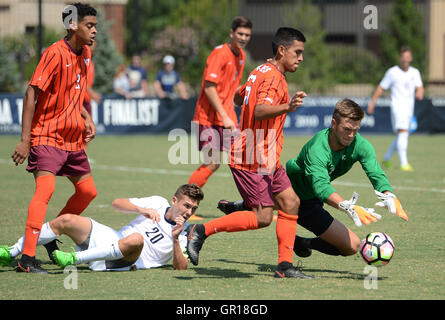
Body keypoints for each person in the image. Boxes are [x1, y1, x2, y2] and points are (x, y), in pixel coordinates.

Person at [187, 27, 311, 279]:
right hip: (252, 157)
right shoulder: (274, 77)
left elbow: (237, 96)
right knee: (263, 217)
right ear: (282, 50)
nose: (300, 58)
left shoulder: (259, 70)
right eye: (297, 52)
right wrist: (288, 106)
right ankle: (201, 230)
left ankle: (285, 267)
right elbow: (260, 111)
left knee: (290, 202)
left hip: (267, 157)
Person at [218, 99, 408, 262]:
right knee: (263, 212)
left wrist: (388, 193)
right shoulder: (318, 147)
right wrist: (347, 206)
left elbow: (375, 171)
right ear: (333, 123)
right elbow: (321, 187)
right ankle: (234, 209)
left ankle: (302, 242)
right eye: (347, 129)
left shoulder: (361, 145)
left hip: (309, 203)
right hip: (288, 191)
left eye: (355, 130)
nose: (351, 135)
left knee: (352, 247)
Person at [10, 2, 98, 273]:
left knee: (88, 192)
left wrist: (86, 117)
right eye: (89, 25)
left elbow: (73, 92)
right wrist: (26, 139)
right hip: (47, 135)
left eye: (95, 26)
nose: (95, 31)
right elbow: (31, 94)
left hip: (73, 140)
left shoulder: (85, 53)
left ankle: (48, 235)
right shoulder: (54, 53)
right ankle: (26, 259)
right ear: (73, 26)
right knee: (45, 191)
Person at [0, 184, 204, 272]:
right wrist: (141, 209)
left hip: (126, 261)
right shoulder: (157, 202)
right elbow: (116, 203)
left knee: (136, 239)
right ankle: (13, 251)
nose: (188, 212)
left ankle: (72, 259)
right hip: (111, 238)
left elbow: (180, 267)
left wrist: (176, 238)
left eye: (193, 208)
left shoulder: (185, 231)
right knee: (66, 219)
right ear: (175, 200)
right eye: (187, 205)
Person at [187, 16, 252, 197]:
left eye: (247, 35)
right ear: (231, 33)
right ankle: (182, 203)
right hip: (209, 118)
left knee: (244, 159)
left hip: (227, 117)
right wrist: (224, 115)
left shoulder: (242, 56)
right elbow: (209, 87)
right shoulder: (220, 54)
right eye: (240, 33)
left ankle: (255, 205)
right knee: (212, 163)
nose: (243, 38)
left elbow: (231, 88)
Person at [367, 46, 424, 172]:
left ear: (411, 58)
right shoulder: (392, 72)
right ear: (400, 58)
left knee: (402, 134)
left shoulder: (415, 72)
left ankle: (386, 159)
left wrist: (420, 92)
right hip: (397, 107)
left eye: (407, 57)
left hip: (409, 108)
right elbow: (381, 87)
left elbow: (420, 87)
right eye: (403, 57)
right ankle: (404, 163)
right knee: (403, 132)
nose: (405, 60)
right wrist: (372, 103)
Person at [83, 40, 102, 116]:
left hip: (87, 99)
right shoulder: (83, 62)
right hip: (81, 100)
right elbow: (82, 80)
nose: (93, 46)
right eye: (90, 44)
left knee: (88, 126)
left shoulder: (90, 62)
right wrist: (93, 94)